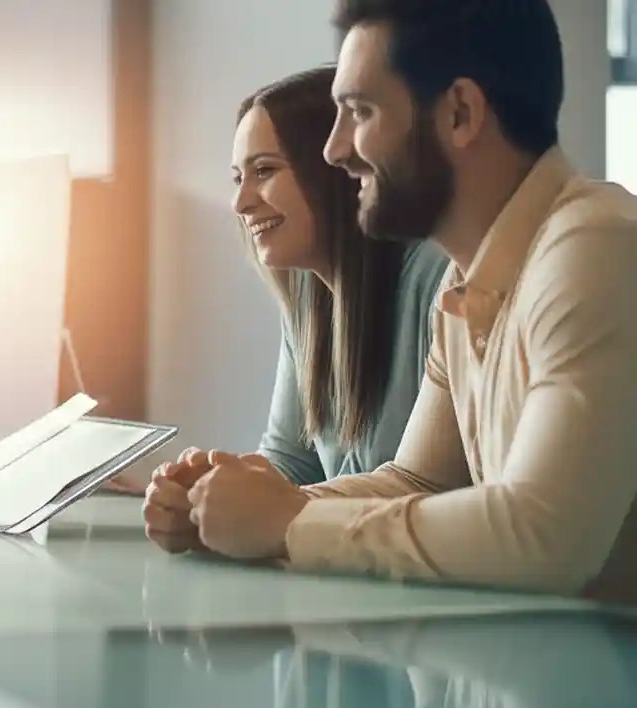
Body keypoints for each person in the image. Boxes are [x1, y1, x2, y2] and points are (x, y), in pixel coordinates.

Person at [178, 0, 637, 604]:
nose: (334, 151)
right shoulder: (463, 286)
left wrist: (287, 524)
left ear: (460, 114)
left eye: (361, 112)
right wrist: (230, 511)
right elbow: (417, 480)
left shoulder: (596, 245)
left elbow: (543, 535)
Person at [143, 66, 449, 554]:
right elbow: (290, 466)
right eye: (238, 177)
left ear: (337, 168)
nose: (241, 202)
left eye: (264, 171)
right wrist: (206, 498)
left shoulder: (440, 277)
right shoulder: (309, 296)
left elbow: (430, 488)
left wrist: (267, 512)